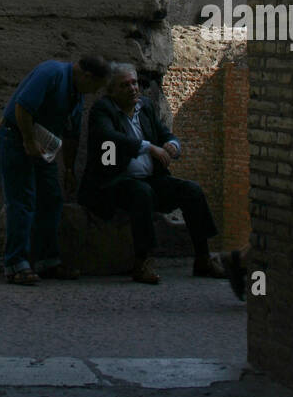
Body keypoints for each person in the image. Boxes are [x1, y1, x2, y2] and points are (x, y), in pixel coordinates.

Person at [78, 63, 226, 285]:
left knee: (191, 191)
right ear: (112, 91)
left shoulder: (145, 107)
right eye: (125, 85)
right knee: (141, 192)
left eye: (134, 83)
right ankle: (143, 261)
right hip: (112, 183)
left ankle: (203, 258)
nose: (132, 88)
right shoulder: (103, 110)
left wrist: (172, 145)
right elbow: (108, 138)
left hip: (151, 180)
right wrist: (148, 147)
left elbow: (165, 134)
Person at [0, 55, 111, 284]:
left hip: (42, 144)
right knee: (22, 200)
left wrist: (68, 169)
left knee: (51, 199)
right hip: (15, 138)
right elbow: (23, 106)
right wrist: (28, 141)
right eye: (95, 86)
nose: (94, 92)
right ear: (87, 77)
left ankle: (48, 260)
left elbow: (71, 134)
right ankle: (16, 263)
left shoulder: (76, 94)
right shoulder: (52, 73)